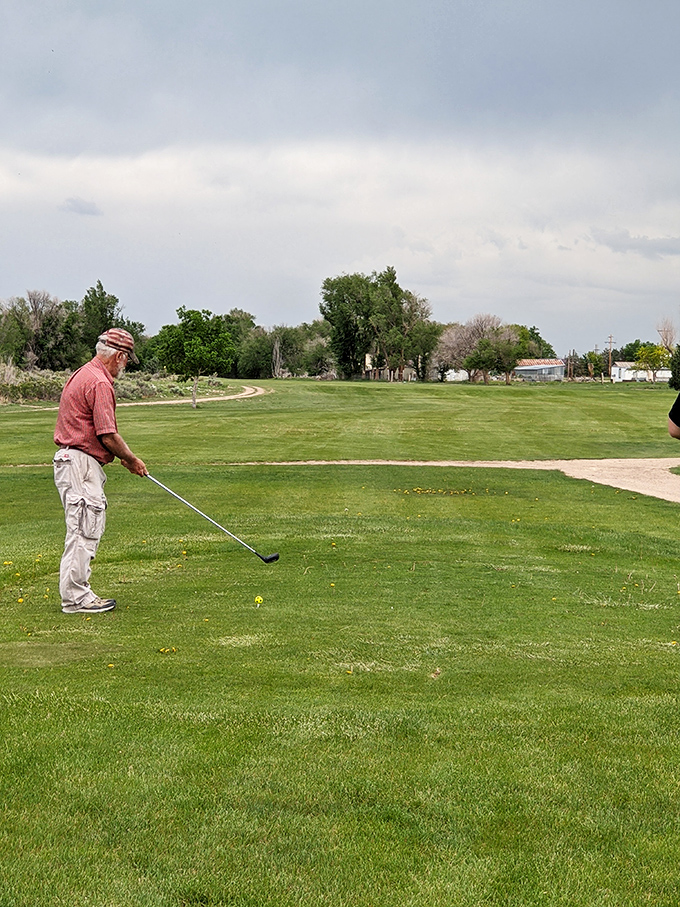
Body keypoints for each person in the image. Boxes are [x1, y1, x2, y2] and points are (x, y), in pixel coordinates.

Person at [53, 328, 147, 614]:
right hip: (80, 462)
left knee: (83, 528)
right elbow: (107, 434)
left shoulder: (84, 373)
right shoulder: (100, 383)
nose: (126, 365)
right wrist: (131, 459)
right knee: (83, 530)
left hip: (75, 461)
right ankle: (76, 599)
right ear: (118, 355)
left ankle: (76, 595)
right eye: (127, 359)